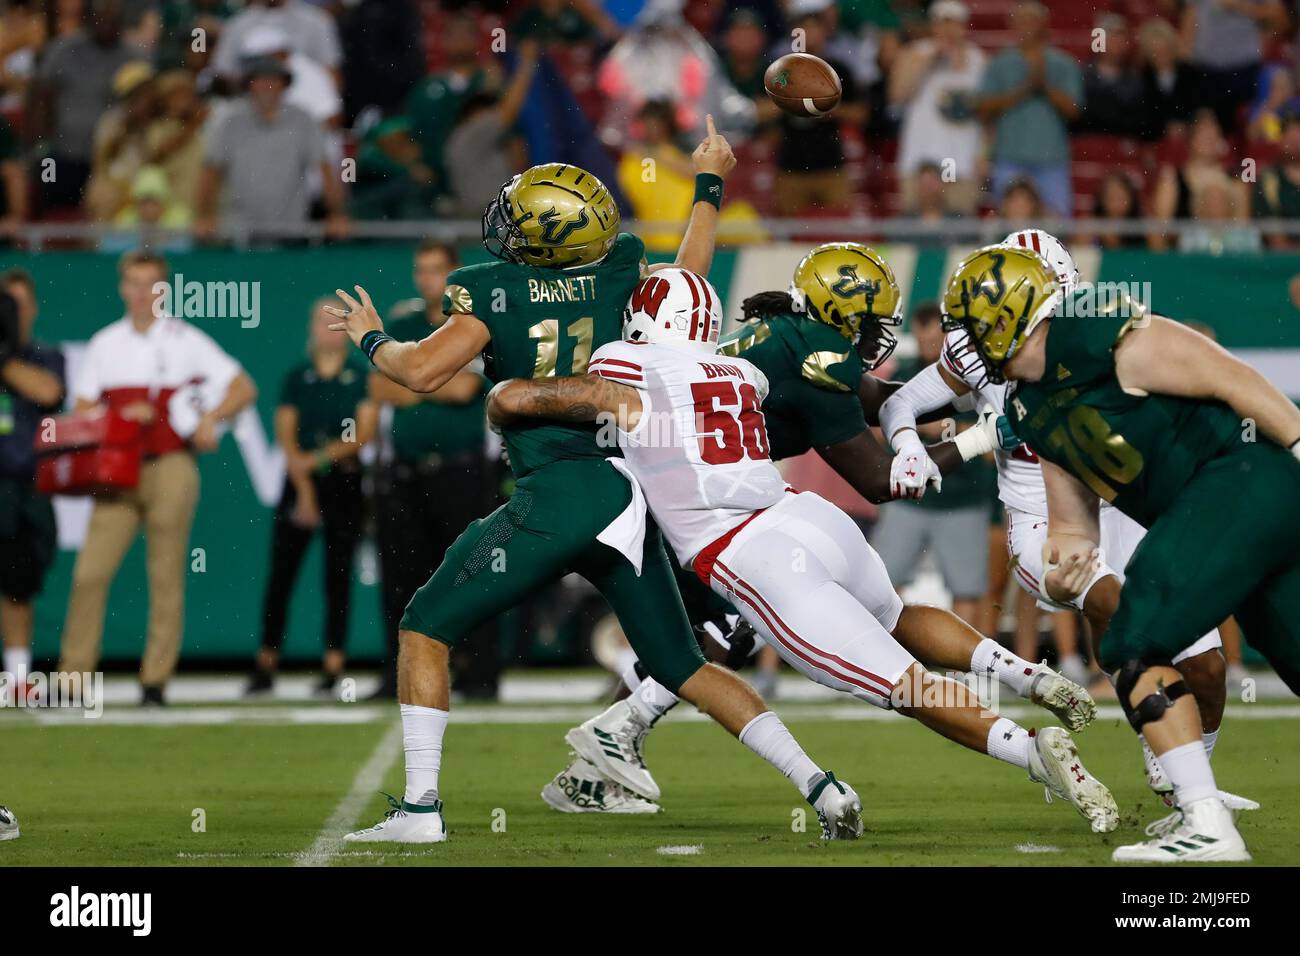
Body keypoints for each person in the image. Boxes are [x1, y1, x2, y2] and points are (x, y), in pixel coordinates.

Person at [327, 124, 867, 844]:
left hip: (556, 493)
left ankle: (421, 811)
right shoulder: (620, 272)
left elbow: (420, 372)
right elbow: (691, 281)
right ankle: (820, 785)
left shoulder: (488, 289)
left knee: (425, 627)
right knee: (681, 666)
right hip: (630, 493)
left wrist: (369, 336)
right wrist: (709, 183)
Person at [487, 266, 1117, 834]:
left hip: (742, 548)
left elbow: (558, 397)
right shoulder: (739, 368)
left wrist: (523, 395)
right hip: (805, 516)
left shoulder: (640, 357)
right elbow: (856, 404)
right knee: (892, 617)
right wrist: (967, 427)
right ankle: (1026, 674)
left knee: (904, 685)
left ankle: (1028, 749)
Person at [942, 242, 1300, 861]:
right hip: (1228, 506)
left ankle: (1206, 823)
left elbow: (1229, 377)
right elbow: (1073, 529)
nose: (966, 344)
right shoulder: (1028, 408)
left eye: (973, 326)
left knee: (1133, 643)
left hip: (1238, 481)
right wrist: (1061, 577)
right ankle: (1202, 814)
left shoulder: (1091, 327)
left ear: (1005, 317)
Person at [880, 229, 1250, 823]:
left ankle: (1189, 786)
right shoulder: (976, 350)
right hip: (1041, 524)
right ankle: (1162, 754)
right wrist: (917, 445)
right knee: (1117, 605)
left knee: (1207, 666)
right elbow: (900, 403)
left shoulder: (1103, 334)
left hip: (1122, 506)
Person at [57, 251, 257, 706]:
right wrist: (120, 416)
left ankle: (154, 679)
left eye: (151, 284)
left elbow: (242, 387)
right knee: (90, 573)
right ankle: (73, 678)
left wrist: (212, 418)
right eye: (134, 283)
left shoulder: (186, 340)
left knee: (165, 575)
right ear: (121, 287)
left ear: (164, 290)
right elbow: (82, 409)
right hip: (117, 470)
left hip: (170, 465)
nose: (143, 293)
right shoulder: (105, 343)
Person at [370, 242, 496, 702]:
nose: (428, 280)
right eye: (421, 270)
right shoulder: (402, 322)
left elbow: (467, 388)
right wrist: (433, 381)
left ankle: (479, 673)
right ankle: (397, 677)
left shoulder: (472, 322)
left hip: (460, 470)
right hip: (406, 472)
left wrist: (415, 381)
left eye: (436, 270)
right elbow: (379, 387)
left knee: (471, 573)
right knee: (401, 576)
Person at [247, 300, 376, 697]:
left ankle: (333, 665)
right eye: (321, 320)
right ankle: (266, 663)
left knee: (337, 574)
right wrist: (303, 484)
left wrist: (318, 458)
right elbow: (286, 432)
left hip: (342, 481)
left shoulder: (358, 376)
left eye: (335, 321)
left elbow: (361, 434)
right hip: (299, 480)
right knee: (281, 574)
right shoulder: (297, 378)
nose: (327, 328)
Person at [872, 301, 994, 628]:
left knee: (967, 589)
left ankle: (963, 666)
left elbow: (990, 441)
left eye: (934, 332)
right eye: (921, 331)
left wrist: (929, 428)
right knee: (883, 584)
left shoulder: (975, 376)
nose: (928, 340)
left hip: (963, 499)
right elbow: (879, 430)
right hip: (909, 497)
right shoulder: (903, 374)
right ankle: (887, 660)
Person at [194, 52, 349, 241]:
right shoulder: (229, 122)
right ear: (250, 84)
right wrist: (204, 216)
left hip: (290, 232)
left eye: (274, 80)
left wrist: (336, 214)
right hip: (238, 232)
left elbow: (324, 169)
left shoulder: (302, 120)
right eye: (261, 80)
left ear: (284, 85)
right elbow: (211, 171)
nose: (267, 86)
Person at [0, 270, 65, 704]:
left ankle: (18, 678)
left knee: (19, 583)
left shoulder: (45, 356)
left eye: (21, 305)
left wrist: (3, 358)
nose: (15, 313)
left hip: (24, 484)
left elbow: (48, 392)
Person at [30, 0, 143, 212]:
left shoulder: (134, 57)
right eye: (102, 16)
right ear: (88, 17)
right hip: (65, 153)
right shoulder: (62, 50)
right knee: (55, 206)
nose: (108, 23)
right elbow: (41, 98)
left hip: (112, 159)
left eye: (113, 18)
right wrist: (40, 142)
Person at [975, 1, 1082, 217]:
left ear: (1044, 24)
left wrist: (1043, 87)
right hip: (1009, 156)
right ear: (1013, 25)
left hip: (1052, 159)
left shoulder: (1064, 63)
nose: (1027, 26)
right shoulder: (999, 64)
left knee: (1057, 225)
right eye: (1021, 20)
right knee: (1009, 225)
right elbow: (983, 107)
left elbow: (1074, 110)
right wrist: (1022, 92)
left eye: (1032, 20)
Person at [890, 0, 984, 215]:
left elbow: (987, 113)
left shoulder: (978, 60)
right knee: (913, 229)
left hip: (962, 163)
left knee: (961, 232)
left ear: (963, 27)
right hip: (919, 163)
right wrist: (931, 58)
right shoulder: (914, 53)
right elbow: (898, 96)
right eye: (943, 24)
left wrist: (983, 154)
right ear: (934, 26)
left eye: (954, 24)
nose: (948, 30)